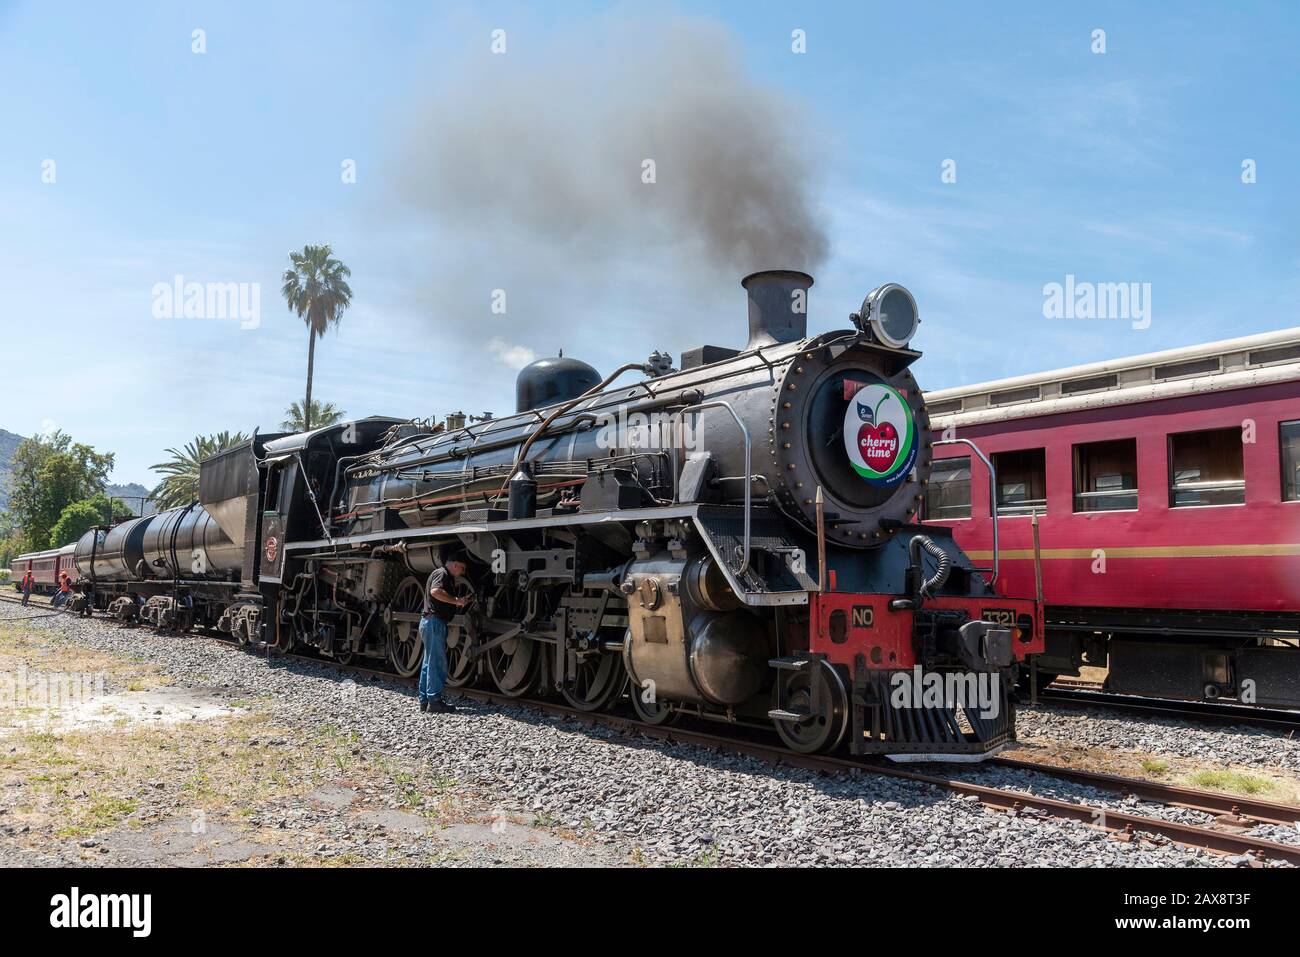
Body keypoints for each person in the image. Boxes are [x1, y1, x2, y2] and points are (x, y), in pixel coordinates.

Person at [418, 555, 473, 714]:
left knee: (428, 663)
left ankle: (424, 701)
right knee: (437, 662)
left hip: (430, 622)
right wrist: (456, 601)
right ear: (455, 564)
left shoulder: (439, 573)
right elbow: (435, 591)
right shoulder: (442, 574)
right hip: (435, 623)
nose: (463, 572)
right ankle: (434, 701)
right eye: (462, 568)